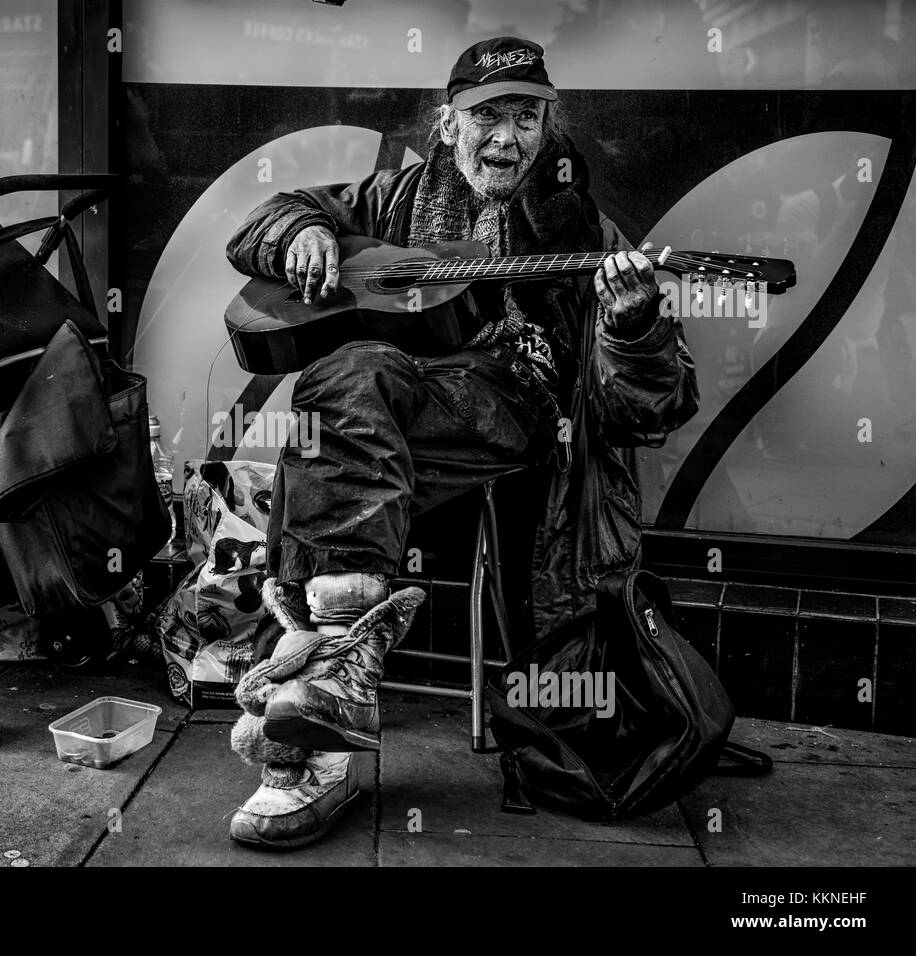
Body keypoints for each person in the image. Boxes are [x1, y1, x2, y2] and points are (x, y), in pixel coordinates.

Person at [221, 37, 699, 849]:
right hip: (390, 413)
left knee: (338, 405)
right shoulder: (395, 200)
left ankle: (304, 744)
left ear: (549, 127)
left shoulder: (585, 229)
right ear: (448, 125)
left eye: (524, 116)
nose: (505, 139)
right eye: (486, 117)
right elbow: (259, 226)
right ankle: (330, 697)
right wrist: (301, 232)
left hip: (519, 417)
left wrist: (632, 325)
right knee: (342, 392)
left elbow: (654, 406)